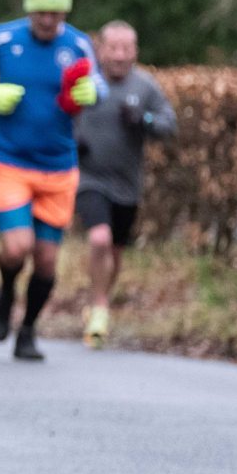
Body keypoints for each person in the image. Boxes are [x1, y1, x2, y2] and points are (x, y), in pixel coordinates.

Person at [0, 0, 103, 360]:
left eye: (56, 13)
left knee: (45, 259)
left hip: (59, 166)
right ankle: (6, 289)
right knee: (17, 246)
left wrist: (91, 91)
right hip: (9, 159)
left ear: (65, 13)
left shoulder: (77, 44)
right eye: (41, 12)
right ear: (29, 10)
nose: (48, 21)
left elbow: (101, 84)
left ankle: (26, 331)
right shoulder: (5, 37)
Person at [73, 20, 177, 347]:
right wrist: (71, 143)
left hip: (126, 185)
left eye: (126, 48)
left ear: (135, 51)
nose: (119, 55)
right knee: (100, 240)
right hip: (88, 178)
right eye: (112, 48)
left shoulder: (144, 86)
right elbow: (57, 113)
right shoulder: (83, 82)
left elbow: (168, 125)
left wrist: (142, 120)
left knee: (115, 254)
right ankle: (101, 307)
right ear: (99, 49)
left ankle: (95, 302)